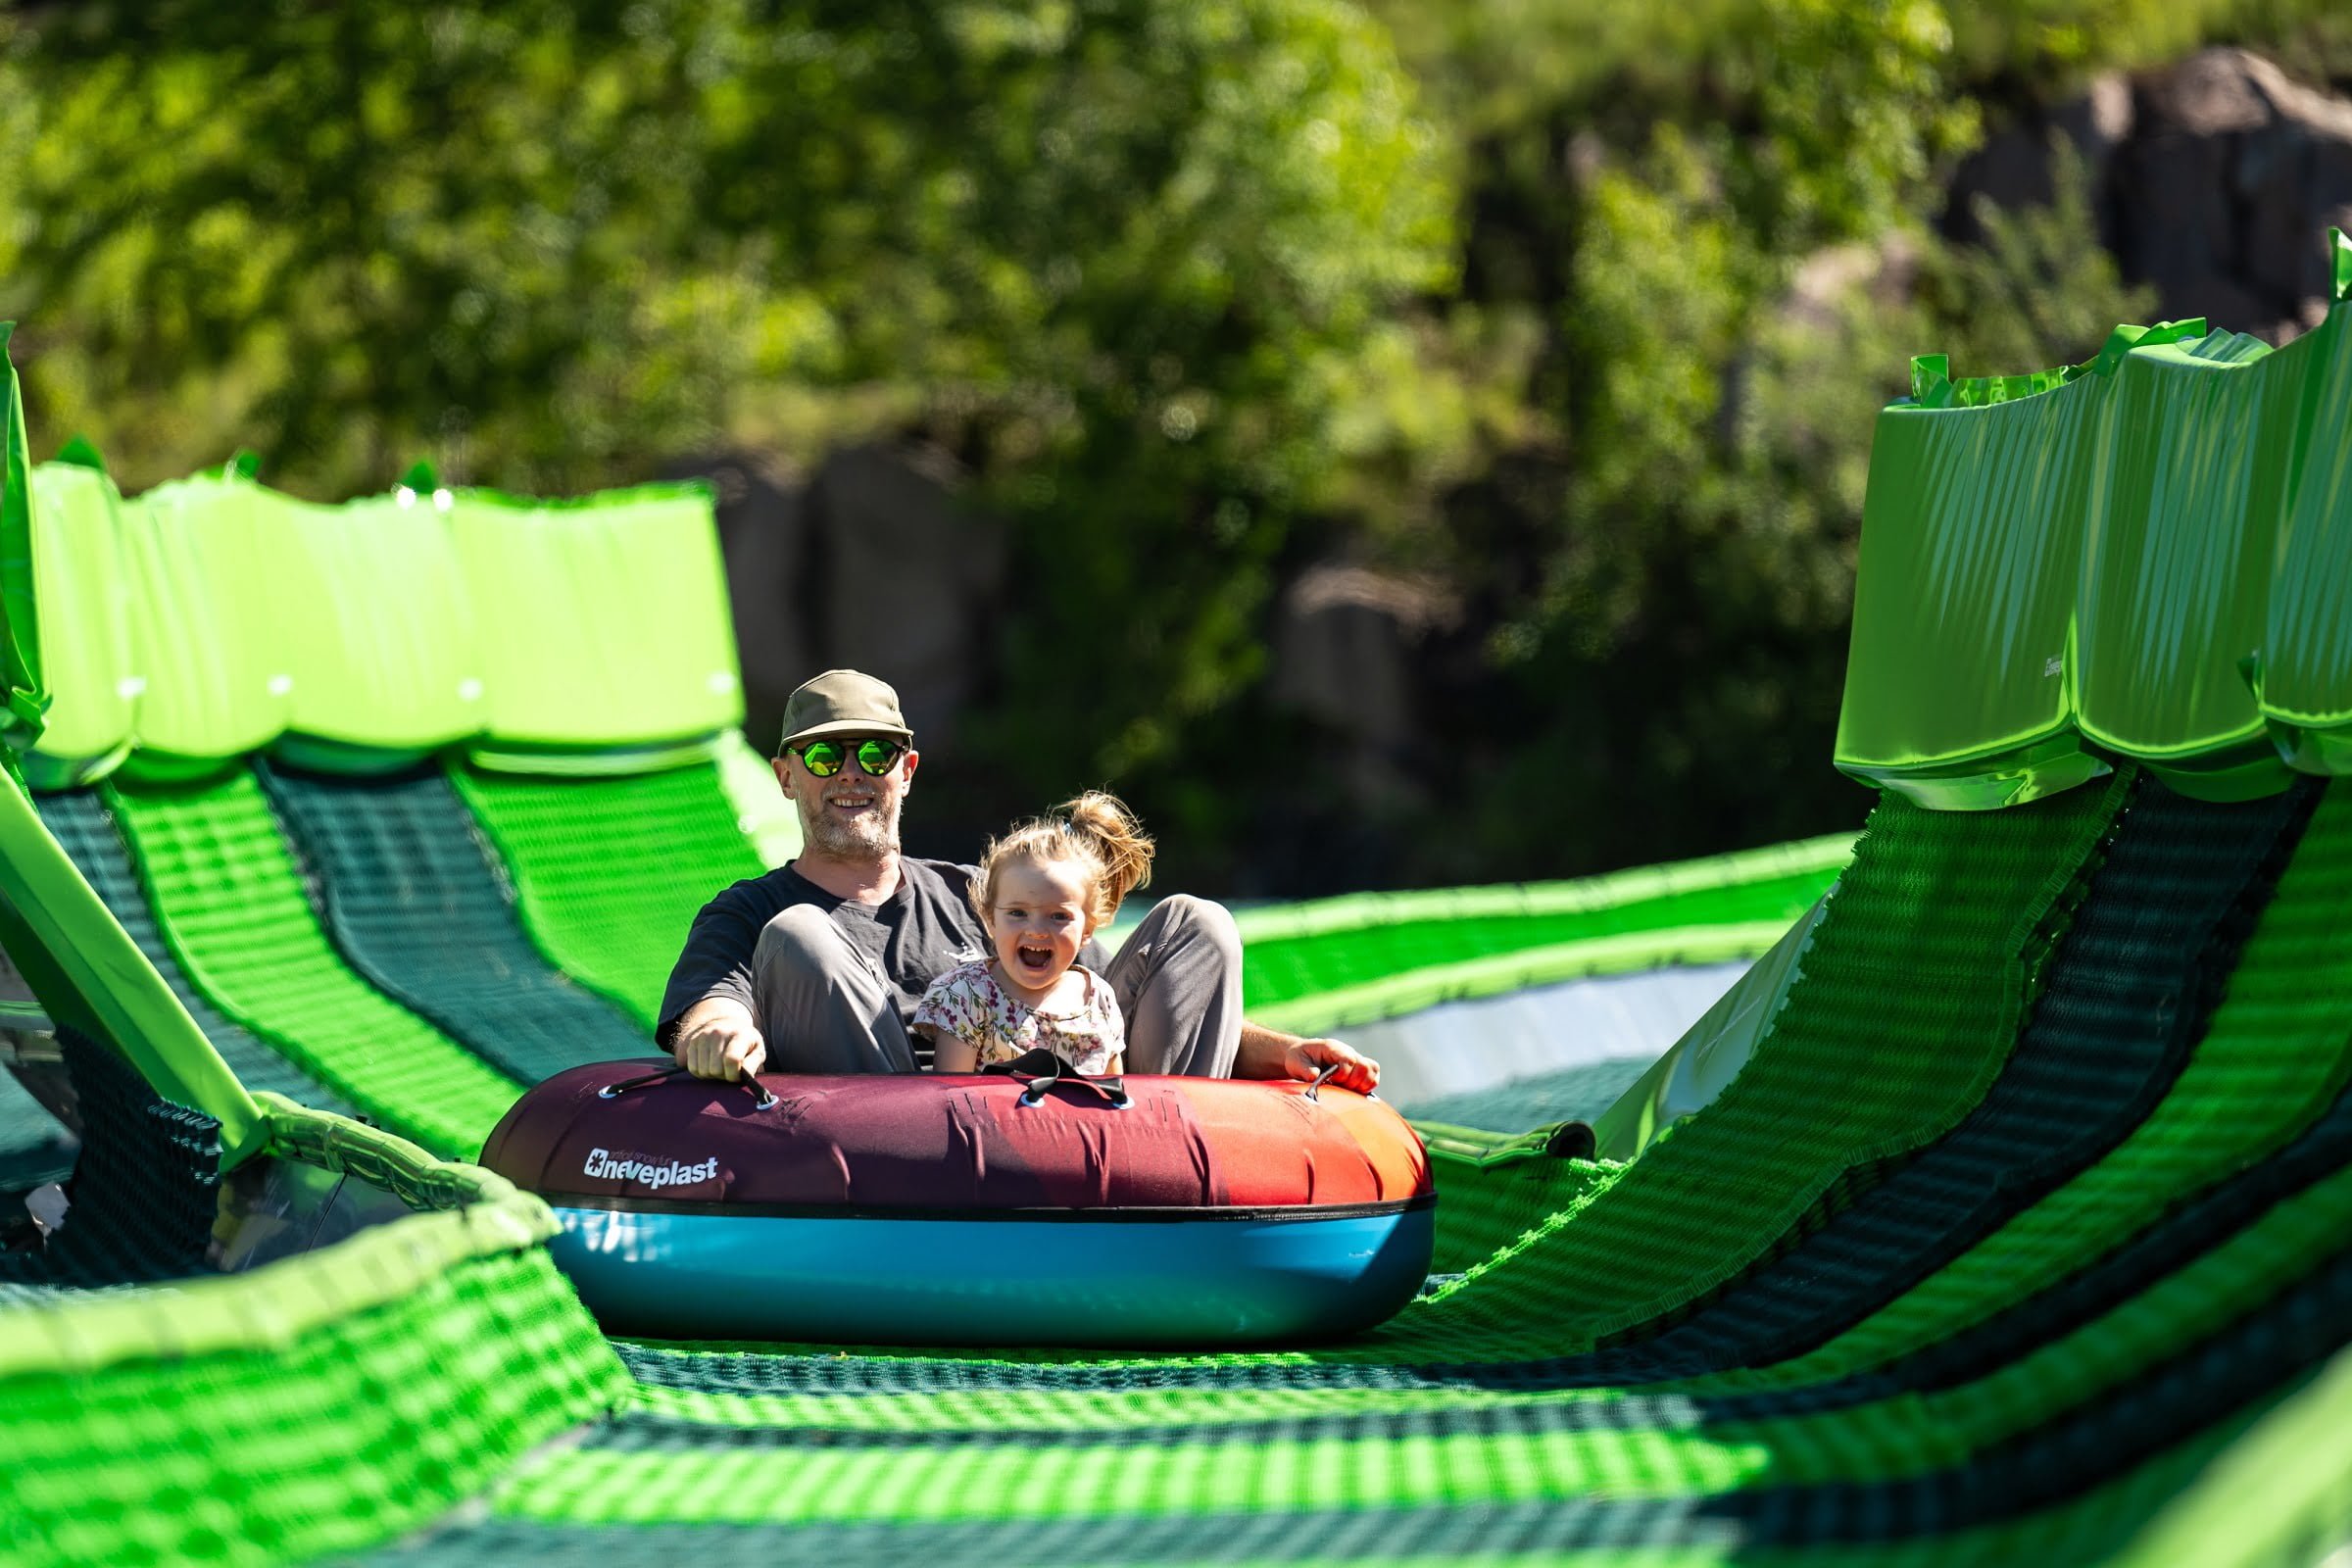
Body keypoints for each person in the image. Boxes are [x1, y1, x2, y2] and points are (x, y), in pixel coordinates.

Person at [660, 668, 1377, 1091]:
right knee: (800, 935)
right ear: (786, 777)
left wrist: (1276, 1052)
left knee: (1199, 923)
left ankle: (1171, 1174)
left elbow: (1107, 1002)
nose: (851, 774)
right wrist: (720, 1032)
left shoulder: (983, 895)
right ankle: (907, 1189)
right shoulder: (749, 912)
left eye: (874, 755)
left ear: (906, 773)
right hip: (896, 1148)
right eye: (824, 758)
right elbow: (711, 1009)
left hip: (1052, 1128)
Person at [912, 792, 1151, 1075]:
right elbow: (951, 1094)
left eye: (1058, 916)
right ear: (990, 920)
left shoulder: (1099, 998)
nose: (1036, 931)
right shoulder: (968, 995)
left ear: (1087, 930)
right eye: (1017, 913)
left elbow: (1114, 1090)